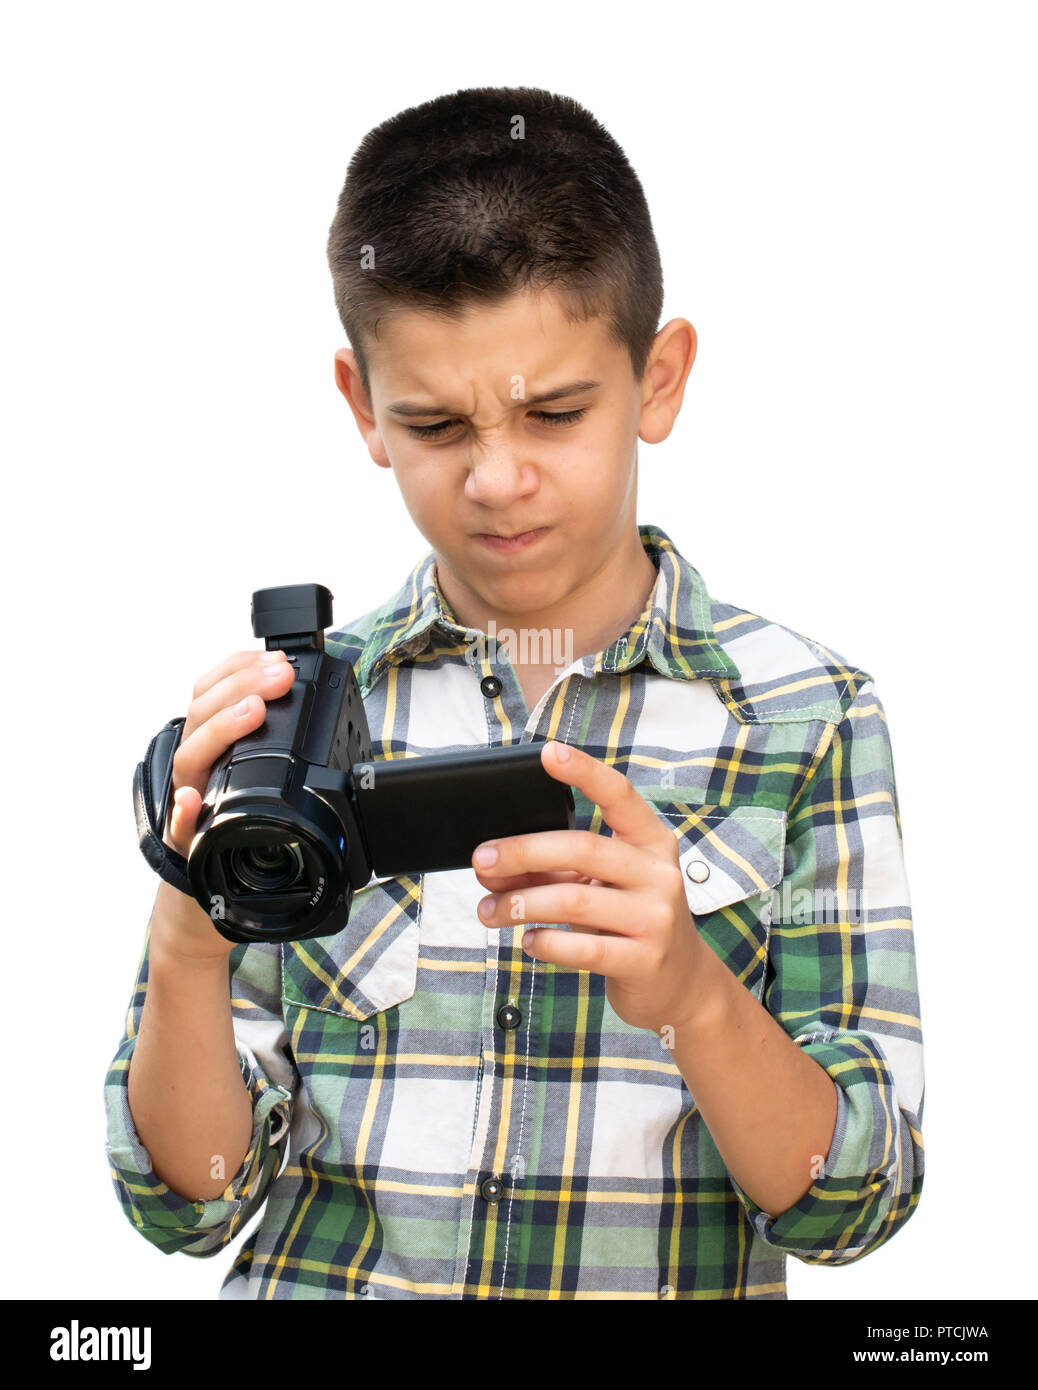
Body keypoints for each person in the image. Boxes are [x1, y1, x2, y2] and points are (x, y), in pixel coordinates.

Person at [104, 86, 924, 1300]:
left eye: (555, 411)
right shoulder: (295, 717)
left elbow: (858, 1203)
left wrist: (696, 998)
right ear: (361, 407)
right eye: (434, 424)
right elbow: (192, 1204)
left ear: (659, 378)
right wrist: (187, 931)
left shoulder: (809, 716)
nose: (497, 478)